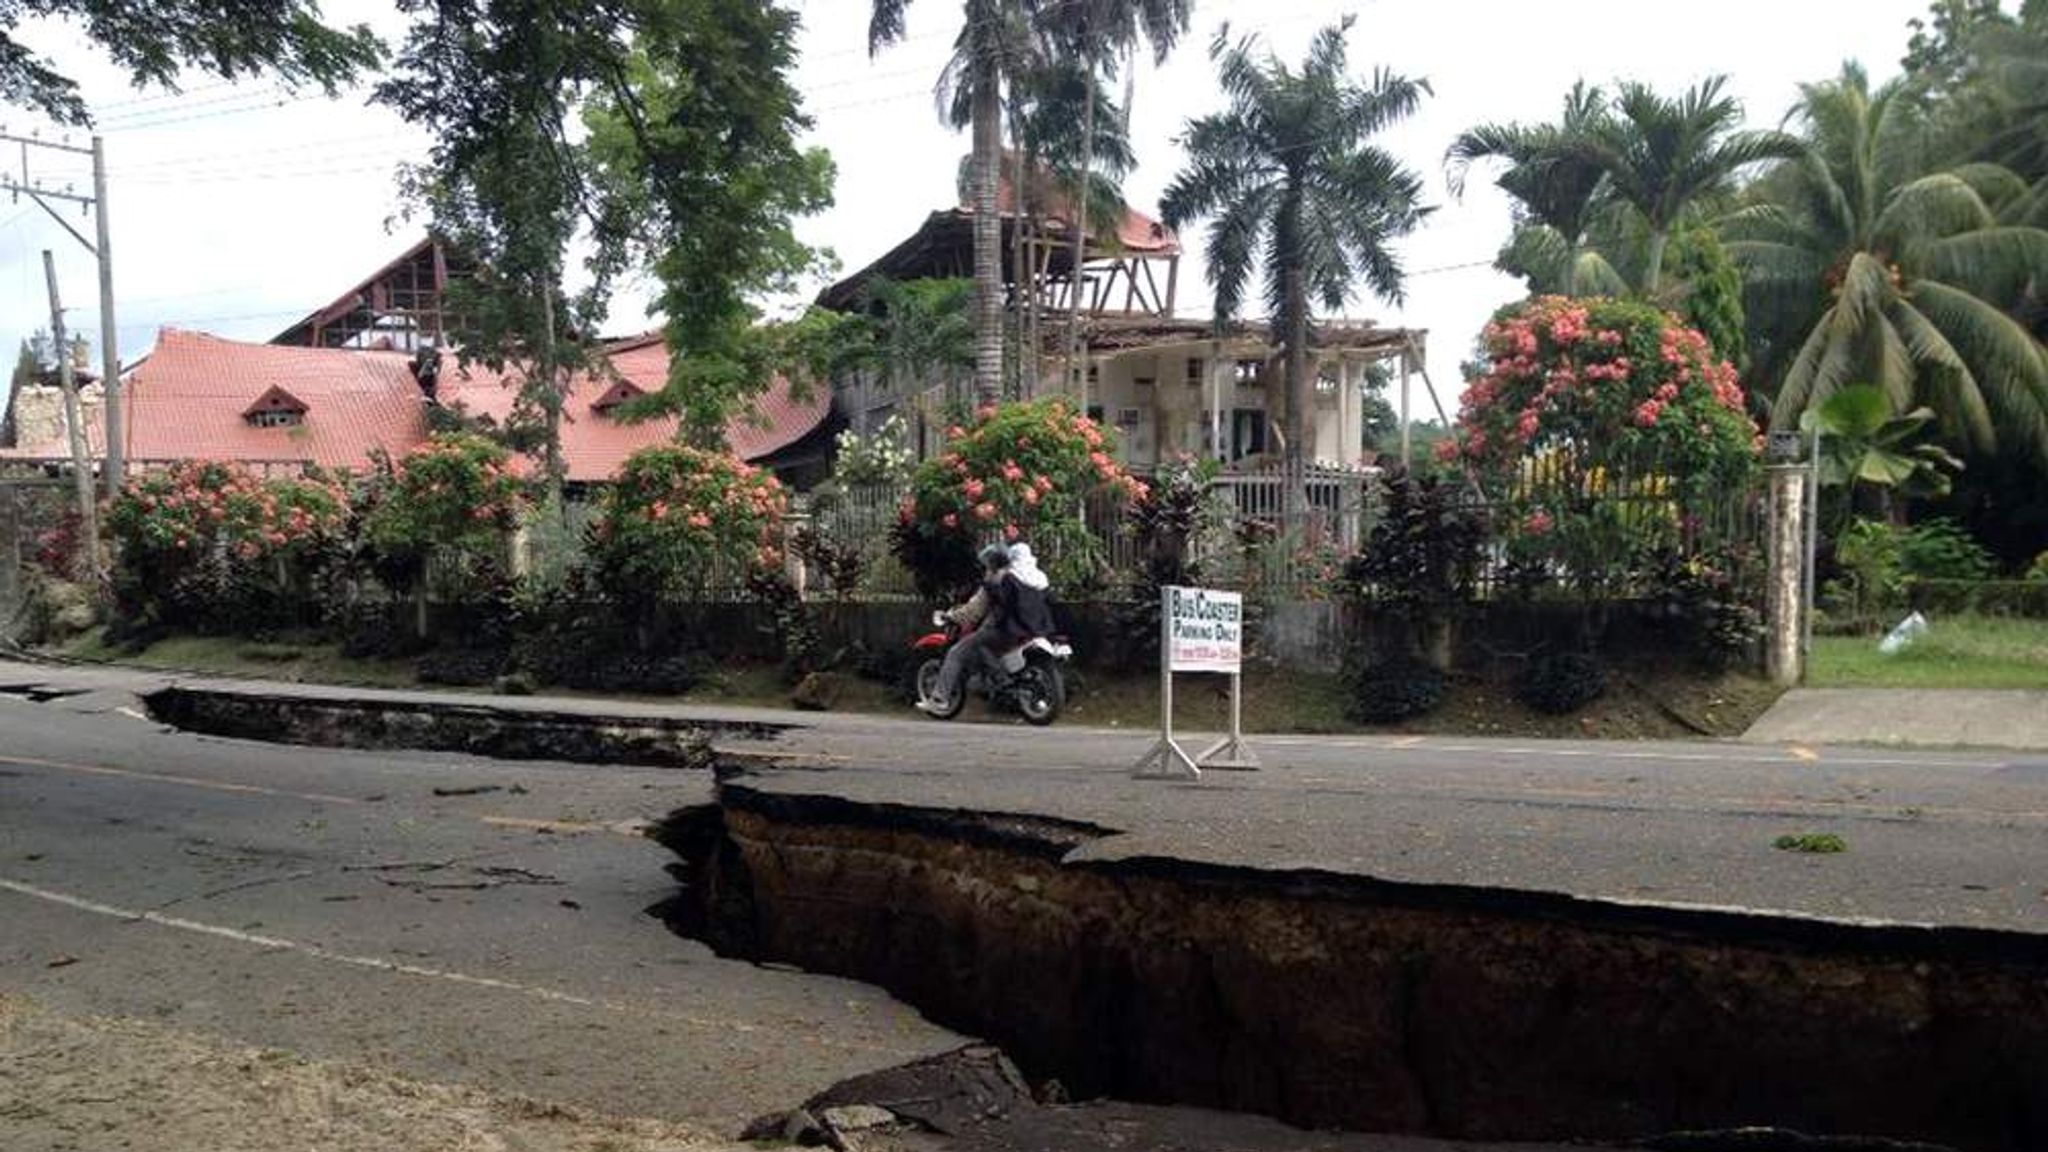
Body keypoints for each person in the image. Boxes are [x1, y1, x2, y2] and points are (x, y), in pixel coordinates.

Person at [919, 541, 1056, 714]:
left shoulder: (995, 581)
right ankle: (1001, 678)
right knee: (983, 646)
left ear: (991, 564)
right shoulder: (1037, 579)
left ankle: (940, 699)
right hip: (1037, 630)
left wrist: (951, 617)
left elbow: (973, 612)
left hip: (1006, 630)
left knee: (957, 652)